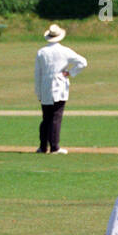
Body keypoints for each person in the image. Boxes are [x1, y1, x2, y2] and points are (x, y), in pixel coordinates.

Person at [34, 23, 86, 154]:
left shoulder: (41, 52)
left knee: (46, 118)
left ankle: (42, 147)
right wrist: (70, 73)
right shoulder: (65, 51)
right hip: (59, 85)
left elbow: (37, 74)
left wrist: (38, 92)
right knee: (56, 117)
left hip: (45, 86)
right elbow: (83, 62)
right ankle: (55, 147)